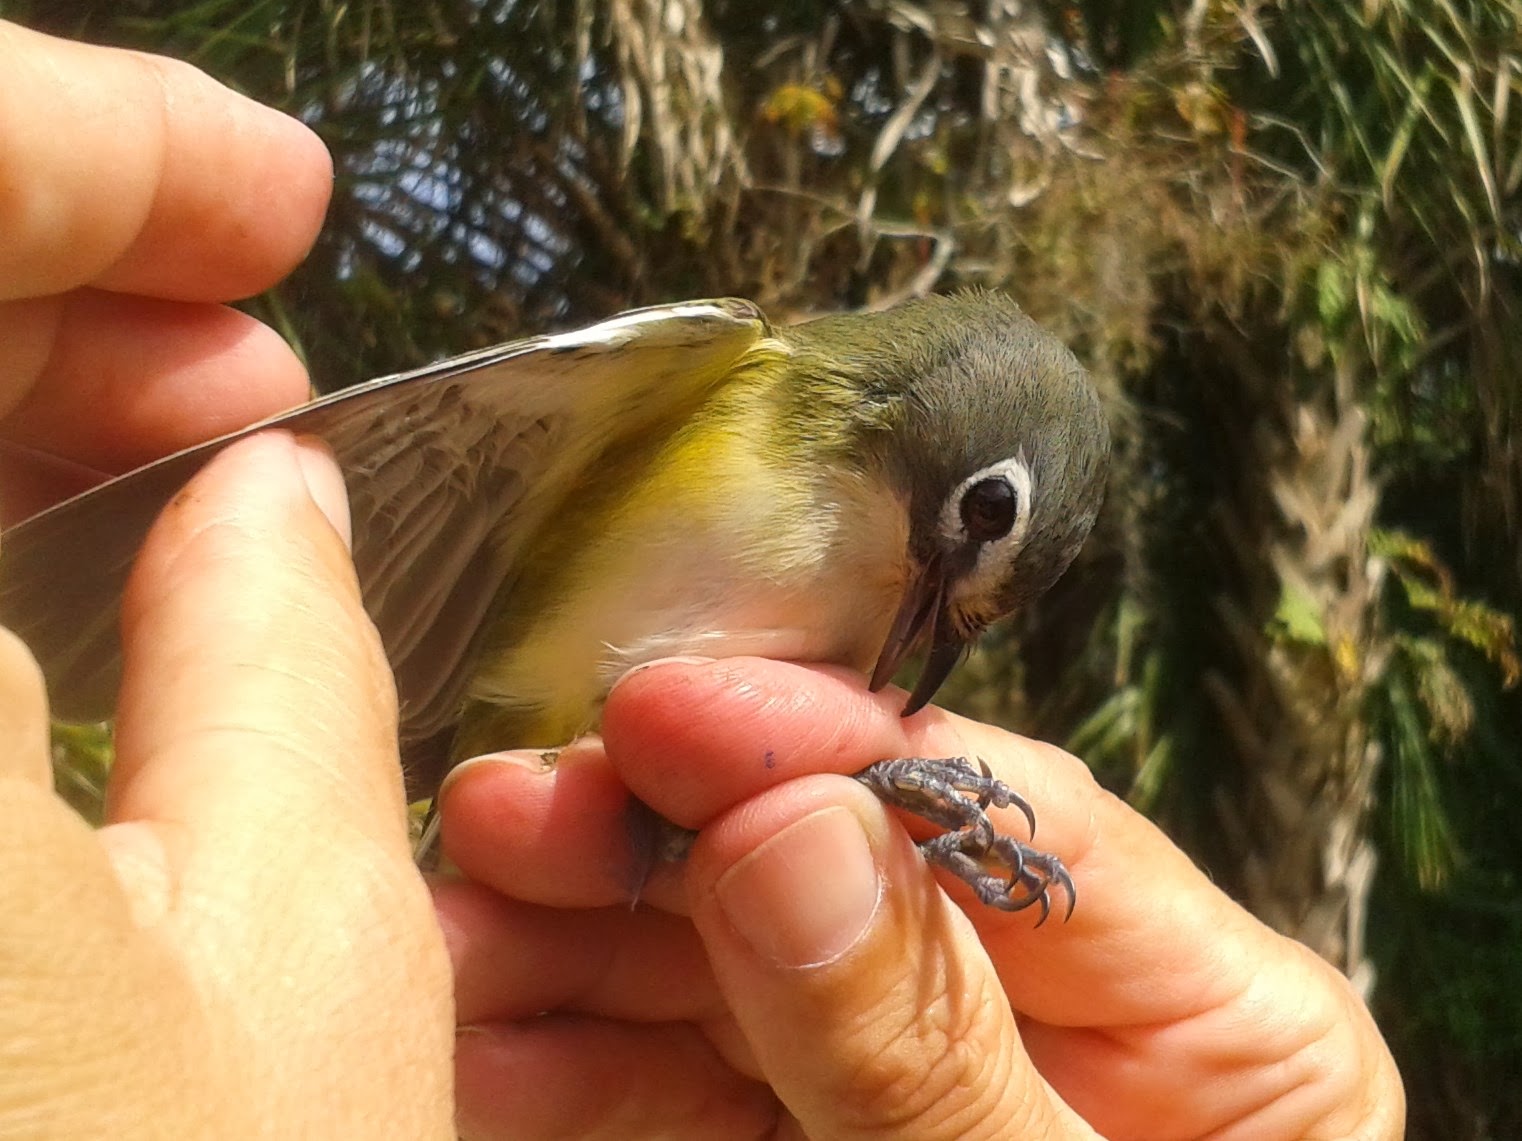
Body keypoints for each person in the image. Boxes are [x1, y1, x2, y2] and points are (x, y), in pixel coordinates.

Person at [0, 18, 1403, 1139]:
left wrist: (879, 817)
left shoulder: (876, 605)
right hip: (505, 778)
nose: (931, 622)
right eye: (974, 537)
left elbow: (765, 788)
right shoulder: (724, 372)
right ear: (957, 443)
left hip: (598, 889)